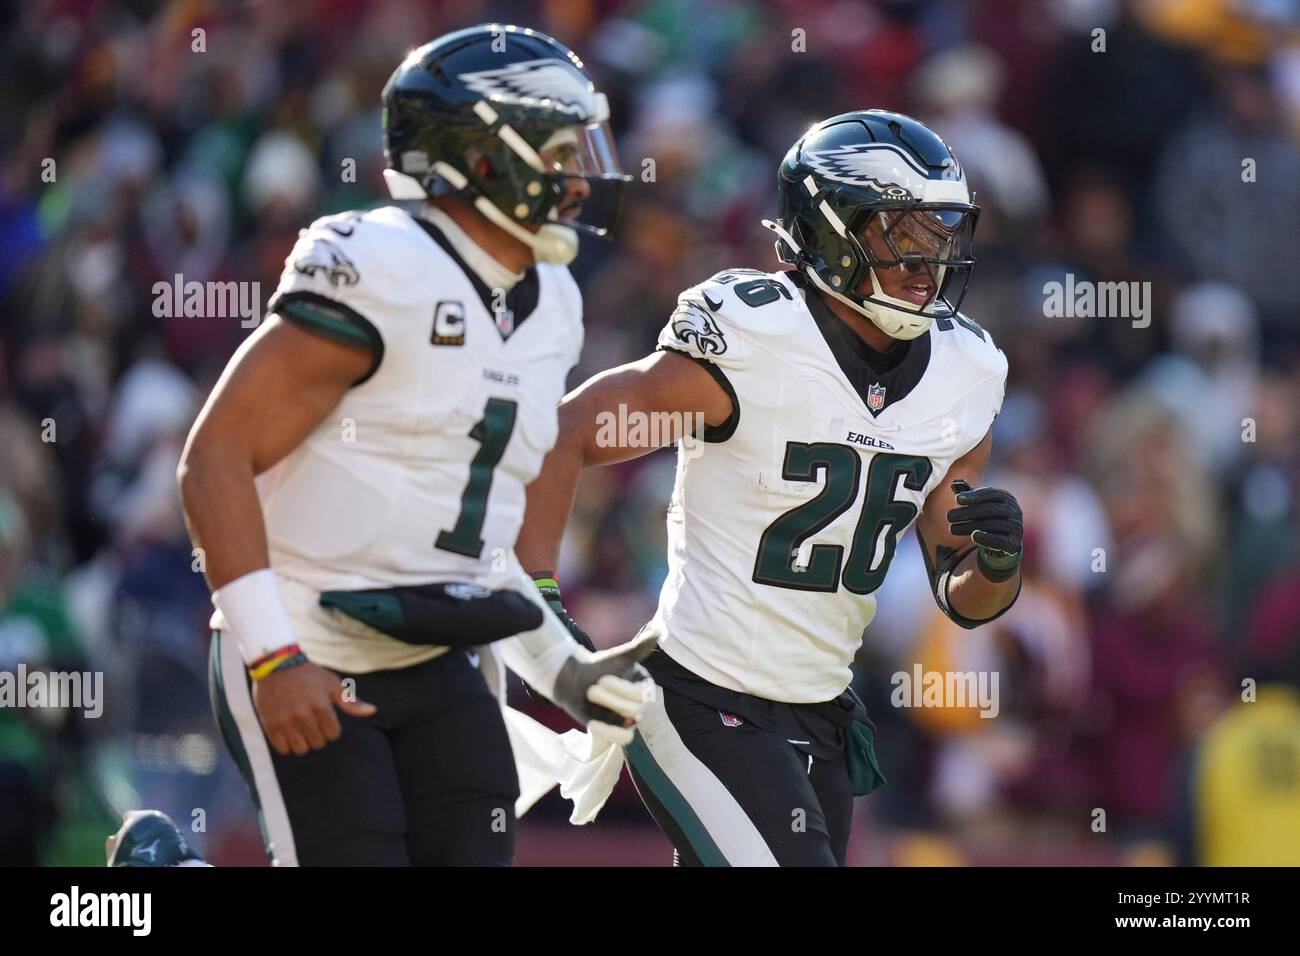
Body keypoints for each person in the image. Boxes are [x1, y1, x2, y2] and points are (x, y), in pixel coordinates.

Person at [177, 24, 653, 867]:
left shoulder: (552, 302)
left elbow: (484, 537)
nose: (582, 171)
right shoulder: (382, 263)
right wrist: (272, 655)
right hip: (308, 642)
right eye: (555, 147)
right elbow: (215, 456)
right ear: (477, 158)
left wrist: (561, 667)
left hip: (441, 651)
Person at [517, 110, 1023, 866]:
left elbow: (960, 593)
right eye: (901, 235)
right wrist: (540, 611)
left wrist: (999, 565)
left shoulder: (966, 374)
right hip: (699, 698)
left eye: (940, 234)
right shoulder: (755, 338)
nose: (927, 263)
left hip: (822, 716)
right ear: (830, 232)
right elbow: (567, 433)